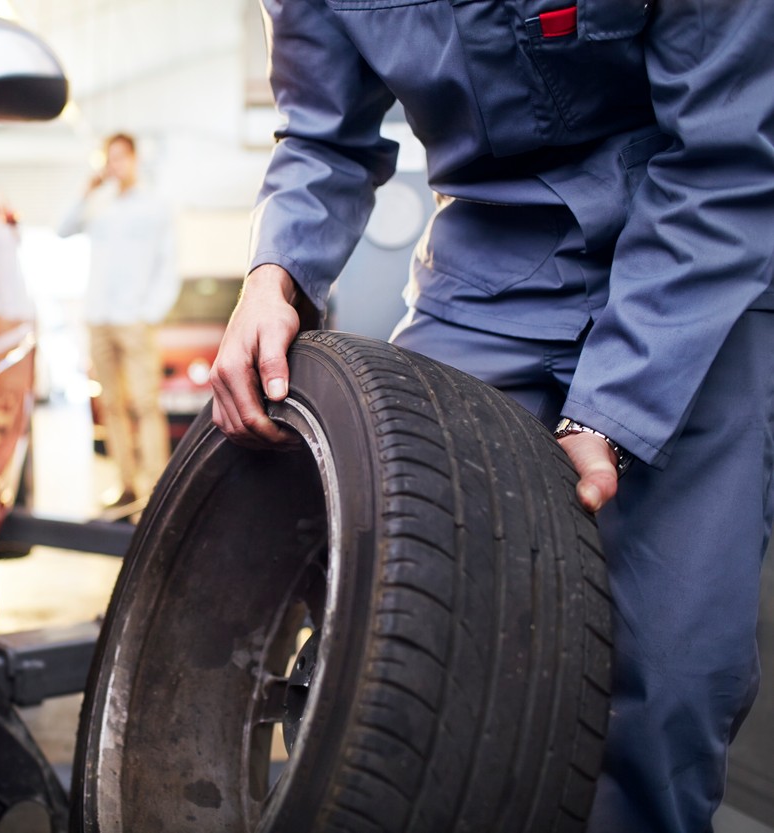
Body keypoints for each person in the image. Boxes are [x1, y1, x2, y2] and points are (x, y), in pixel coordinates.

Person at [210, 2, 774, 831]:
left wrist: (613, 408)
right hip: (486, 272)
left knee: (669, 679)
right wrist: (272, 275)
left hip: (697, 261)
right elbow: (322, 135)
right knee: (396, 640)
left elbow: (725, 158)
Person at [60, 133, 180, 512]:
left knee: (146, 404)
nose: (115, 166)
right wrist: (86, 190)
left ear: (134, 159)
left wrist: (150, 313)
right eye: (109, 159)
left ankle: (156, 490)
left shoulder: (156, 206)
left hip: (135, 320)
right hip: (99, 317)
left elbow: (169, 264)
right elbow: (62, 230)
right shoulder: (98, 204)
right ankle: (126, 485)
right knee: (111, 406)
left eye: (121, 158)